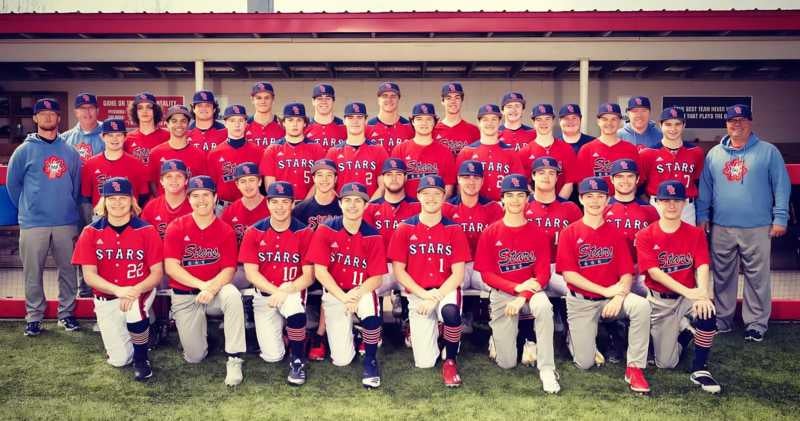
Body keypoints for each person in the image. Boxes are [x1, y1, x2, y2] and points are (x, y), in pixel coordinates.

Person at [697, 104, 790, 342]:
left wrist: (780, 217)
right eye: (732, 120)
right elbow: (705, 188)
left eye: (742, 120)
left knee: (757, 276)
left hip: (758, 226)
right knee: (723, 276)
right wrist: (703, 216)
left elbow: (781, 186)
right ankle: (722, 319)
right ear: (726, 124)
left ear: (750, 122)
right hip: (722, 225)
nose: (736, 124)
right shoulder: (714, 154)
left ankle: (756, 323)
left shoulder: (768, 151)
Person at [556, 177, 652, 393]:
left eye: (600, 196)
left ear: (607, 200)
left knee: (642, 306)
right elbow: (570, 276)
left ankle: (635, 367)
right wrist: (605, 291)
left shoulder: (615, 233)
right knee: (585, 363)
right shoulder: (569, 232)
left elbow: (627, 273)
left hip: (612, 299)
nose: (595, 201)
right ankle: (577, 333)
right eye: (589, 196)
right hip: (582, 302)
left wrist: (618, 297)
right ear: (581, 199)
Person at [475, 173, 560, 393]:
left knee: (544, 306)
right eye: (509, 195)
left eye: (520, 195)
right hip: (504, 293)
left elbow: (543, 276)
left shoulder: (537, 233)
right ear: (502, 199)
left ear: (527, 199)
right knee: (507, 363)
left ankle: (547, 369)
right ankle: (511, 340)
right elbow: (486, 275)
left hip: (531, 291)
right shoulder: (490, 232)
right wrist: (515, 288)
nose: (514, 200)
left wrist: (523, 295)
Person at [71, 177, 163, 381]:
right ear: (103, 201)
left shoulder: (146, 230)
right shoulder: (90, 232)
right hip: (106, 297)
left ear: (131, 200)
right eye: (112, 198)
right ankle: (138, 336)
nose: (117, 203)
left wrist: (132, 290)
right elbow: (89, 276)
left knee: (133, 306)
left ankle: (142, 359)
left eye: (123, 197)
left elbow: (156, 274)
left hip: (140, 289)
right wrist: (118, 290)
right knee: (120, 359)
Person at [636, 180, 721, 393]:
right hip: (659, 300)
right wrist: (690, 291)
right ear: (657, 202)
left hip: (686, 299)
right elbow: (654, 272)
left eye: (676, 200)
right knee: (666, 363)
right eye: (666, 200)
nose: (671, 205)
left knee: (707, 309)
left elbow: (702, 264)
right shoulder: (646, 234)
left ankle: (700, 368)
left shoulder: (695, 233)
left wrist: (702, 294)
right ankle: (686, 334)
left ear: (684, 203)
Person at [7, 98, 82, 336]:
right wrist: (31, 207)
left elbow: (76, 186)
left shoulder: (69, 151)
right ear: (36, 118)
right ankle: (34, 316)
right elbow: (13, 186)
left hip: (65, 221)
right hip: (33, 222)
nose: (48, 117)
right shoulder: (23, 150)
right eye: (43, 114)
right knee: (32, 272)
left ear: (59, 118)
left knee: (68, 272)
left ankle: (66, 314)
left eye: (53, 113)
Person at [387, 175, 470, 387]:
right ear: (418, 197)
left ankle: (450, 360)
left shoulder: (454, 229)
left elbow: (458, 274)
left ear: (444, 196)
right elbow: (399, 271)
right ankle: (440, 334)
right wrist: (424, 295)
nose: (431, 198)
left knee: (450, 312)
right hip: (418, 293)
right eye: (426, 193)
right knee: (424, 362)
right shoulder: (405, 228)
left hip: (446, 289)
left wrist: (435, 297)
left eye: (436, 193)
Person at [163, 175, 246, 386]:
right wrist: (202, 286)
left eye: (206, 195)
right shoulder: (177, 226)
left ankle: (235, 358)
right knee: (195, 357)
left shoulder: (225, 229)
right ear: (188, 199)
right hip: (186, 296)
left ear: (216, 197)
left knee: (233, 295)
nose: (201, 200)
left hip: (216, 293)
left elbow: (228, 269)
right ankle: (201, 334)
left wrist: (212, 288)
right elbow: (171, 267)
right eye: (195, 196)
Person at [306, 182, 387, 388]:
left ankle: (370, 360)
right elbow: (320, 271)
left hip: (361, 289)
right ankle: (353, 331)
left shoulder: (373, 235)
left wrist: (356, 295)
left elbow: (376, 278)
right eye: (347, 200)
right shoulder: (325, 230)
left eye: (358, 201)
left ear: (365, 205)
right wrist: (343, 298)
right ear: (340, 204)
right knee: (342, 360)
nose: (352, 205)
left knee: (370, 306)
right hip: (335, 292)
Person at [239, 181, 315, 386]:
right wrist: (276, 292)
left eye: (285, 201)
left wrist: (283, 291)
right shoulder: (254, 231)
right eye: (275, 202)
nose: (280, 206)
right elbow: (251, 273)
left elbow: (309, 276)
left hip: (292, 288)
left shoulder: (304, 232)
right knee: (273, 356)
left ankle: (298, 360)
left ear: (292, 204)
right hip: (264, 292)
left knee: (293, 308)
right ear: (268, 204)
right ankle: (291, 335)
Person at [291, 158, 343, 361]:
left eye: (329, 175)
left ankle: (319, 336)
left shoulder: (343, 207)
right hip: (306, 261)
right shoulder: (302, 209)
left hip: (334, 261)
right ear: (312, 179)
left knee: (329, 278)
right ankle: (295, 330)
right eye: (319, 175)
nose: (324, 180)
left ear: (336, 179)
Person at [638, 107, 705, 224]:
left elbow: (698, 183)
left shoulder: (696, 152)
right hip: (658, 205)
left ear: (684, 125)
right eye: (668, 124)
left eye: (677, 124)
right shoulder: (647, 153)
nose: (673, 129)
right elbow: (639, 186)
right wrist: (650, 205)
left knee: (687, 241)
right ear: (660, 125)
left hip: (686, 207)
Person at [604, 159, 659, 297]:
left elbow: (658, 246)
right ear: (611, 179)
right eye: (620, 176)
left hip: (641, 273)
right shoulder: (602, 208)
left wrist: (640, 266)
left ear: (637, 179)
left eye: (630, 176)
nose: (625, 180)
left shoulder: (649, 210)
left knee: (659, 291)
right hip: (609, 272)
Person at [456, 104, 524, 201]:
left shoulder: (510, 152)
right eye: (485, 119)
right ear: (478, 122)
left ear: (500, 122)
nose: (490, 123)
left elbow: (518, 184)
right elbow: (460, 188)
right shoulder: (467, 152)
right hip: (477, 208)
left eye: (494, 119)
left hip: (502, 207)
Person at [80, 118, 149, 211]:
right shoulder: (90, 164)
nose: (114, 139)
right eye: (110, 135)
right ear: (102, 137)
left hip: (129, 215)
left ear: (125, 137)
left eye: (119, 135)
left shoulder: (136, 163)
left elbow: (143, 195)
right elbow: (87, 196)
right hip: (101, 216)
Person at [260, 102, 325, 201]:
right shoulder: (273, 149)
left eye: (299, 120)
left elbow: (320, 181)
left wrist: (305, 204)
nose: (294, 124)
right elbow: (270, 184)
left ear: (304, 123)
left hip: (309, 204)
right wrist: (281, 202)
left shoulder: (316, 148)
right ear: (284, 123)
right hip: (281, 204)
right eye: (290, 120)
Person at [391, 102, 457, 198]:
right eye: (419, 119)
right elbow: (394, 184)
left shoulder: (445, 152)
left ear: (435, 122)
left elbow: (448, 188)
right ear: (413, 122)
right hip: (406, 209)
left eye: (429, 119)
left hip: (434, 208)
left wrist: (433, 209)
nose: (424, 123)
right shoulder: (400, 149)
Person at [325, 102, 389, 199]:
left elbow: (383, 185)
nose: (355, 122)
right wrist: (342, 205)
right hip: (343, 210)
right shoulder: (334, 152)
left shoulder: (378, 150)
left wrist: (369, 206)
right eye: (350, 118)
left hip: (371, 209)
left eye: (359, 117)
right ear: (344, 121)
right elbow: (328, 184)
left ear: (366, 120)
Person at [206, 104, 264, 210]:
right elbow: (211, 186)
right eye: (232, 121)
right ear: (226, 123)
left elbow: (262, 183)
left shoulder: (258, 151)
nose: (237, 124)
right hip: (224, 206)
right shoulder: (215, 153)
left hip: (252, 205)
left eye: (240, 120)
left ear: (246, 124)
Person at [575, 103, 640, 194]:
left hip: (623, 203)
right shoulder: (587, 149)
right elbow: (582, 184)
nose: (609, 123)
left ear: (620, 122)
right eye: (605, 119)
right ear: (598, 121)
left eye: (614, 119)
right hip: (597, 204)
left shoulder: (630, 149)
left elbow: (637, 182)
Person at [519, 103, 578, 200]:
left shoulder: (566, 149)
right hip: (534, 206)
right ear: (533, 122)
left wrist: (558, 204)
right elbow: (525, 184)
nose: (543, 123)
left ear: (553, 121)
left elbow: (569, 183)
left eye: (547, 119)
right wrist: (537, 203)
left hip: (561, 204)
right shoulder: (524, 152)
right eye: (539, 119)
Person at [148, 105, 208, 195]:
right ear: (167, 124)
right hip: (164, 205)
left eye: (183, 121)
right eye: (174, 121)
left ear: (188, 124)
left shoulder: (199, 155)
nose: (179, 125)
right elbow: (152, 183)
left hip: (190, 206)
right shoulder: (155, 153)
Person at [140, 159, 193, 239]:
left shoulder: (195, 206)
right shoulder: (151, 207)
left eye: (178, 176)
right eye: (169, 176)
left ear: (186, 181)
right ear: (161, 181)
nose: (174, 180)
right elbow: (144, 238)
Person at [220, 162, 269, 245]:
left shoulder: (272, 207)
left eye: (251, 180)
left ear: (260, 181)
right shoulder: (230, 212)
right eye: (243, 181)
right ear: (237, 184)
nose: (247, 185)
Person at [366, 81, 414, 155]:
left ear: (398, 99)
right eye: (384, 96)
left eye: (393, 96)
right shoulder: (368, 127)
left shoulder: (409, 127)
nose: (389, 99)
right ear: (378, 100)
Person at [433, 82, 480, 156]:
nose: (453, 101)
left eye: (457, 97)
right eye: (448, 98)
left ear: (462, 100)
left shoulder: (474, 131)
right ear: (442, 101)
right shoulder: (433, 130)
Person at [124, 92, 170, 167]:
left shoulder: (168, 136)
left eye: (149, 107)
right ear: (135, 112)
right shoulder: (127, 139)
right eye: (140, 108)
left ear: (155, 111)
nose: (144, 111)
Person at [61, 92, 104, 162]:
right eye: (82, 108)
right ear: (76, 113)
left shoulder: (110, 134)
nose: (87, 112)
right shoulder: (64, 139)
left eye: (91, 107)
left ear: (97, 111)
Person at [305, 83, 347, 151]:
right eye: (319, 98)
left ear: (333, 101)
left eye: (327, 98)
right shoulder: (304, 128)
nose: (324, 102)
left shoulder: (344, 127)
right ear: (313, 101)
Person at [246, 82, 285, 149]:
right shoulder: (244, 125)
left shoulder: (283, 125)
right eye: (259, 98)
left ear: (273, 99)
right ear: (252, 100)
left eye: (267, 98)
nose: (263, 101)